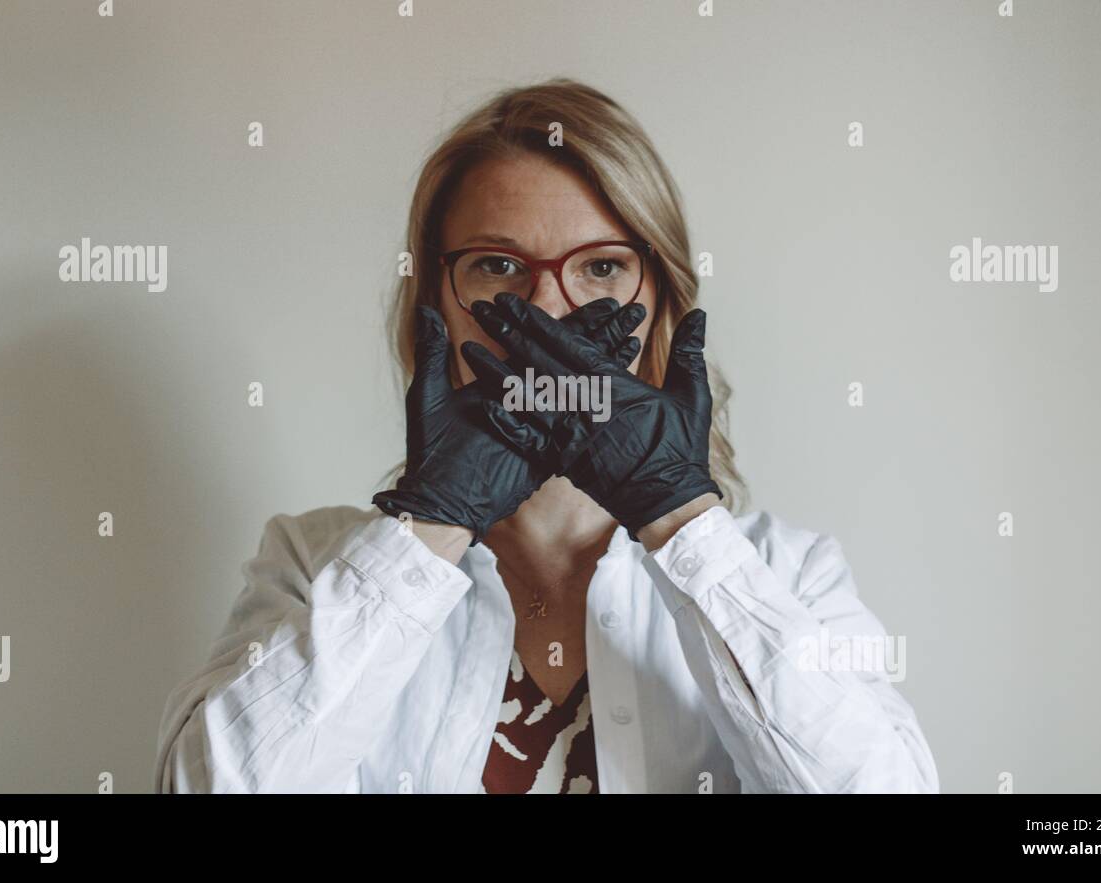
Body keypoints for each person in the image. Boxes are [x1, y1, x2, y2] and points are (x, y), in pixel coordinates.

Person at [154, 78, 939, 794]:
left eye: (600, 268)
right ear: (436, 308)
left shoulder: (787, 575)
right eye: (499, 265)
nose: (551, 311)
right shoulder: (309, 565)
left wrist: (679, 517)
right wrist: (431, 523)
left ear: (659, 299)